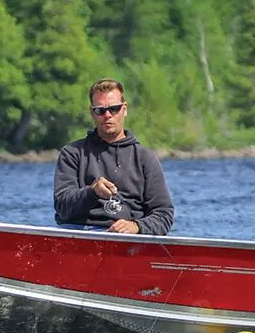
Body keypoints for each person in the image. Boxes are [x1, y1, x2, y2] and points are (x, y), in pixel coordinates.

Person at [51, 79, 175, 235]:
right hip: (78, 234)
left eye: (114, 109)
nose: (107, 115)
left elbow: (164, 215)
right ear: (92, 112)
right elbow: (62, 207)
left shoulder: (145, 158)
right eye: (100, 110)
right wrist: (91, 192)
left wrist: (136, 227)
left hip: (127, 241)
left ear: (124, 109)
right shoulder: (72, 153)